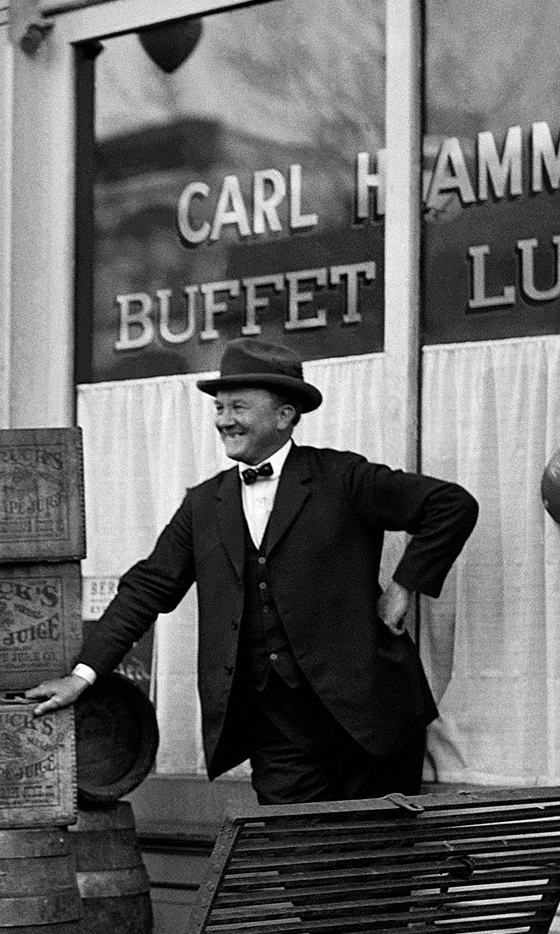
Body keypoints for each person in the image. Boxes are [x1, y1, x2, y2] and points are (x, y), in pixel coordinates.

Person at [29, 337, 478, 805]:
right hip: (276, 728)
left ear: (284, 415)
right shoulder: (203, 506)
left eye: (237, 406)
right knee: (291, 859)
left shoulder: (343, 478)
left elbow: (450, 506)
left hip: (373, 718)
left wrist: (404, 587)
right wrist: (83, 675)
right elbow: (147, 588)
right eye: (219, 408)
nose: (224, 420)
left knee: (374, 869)